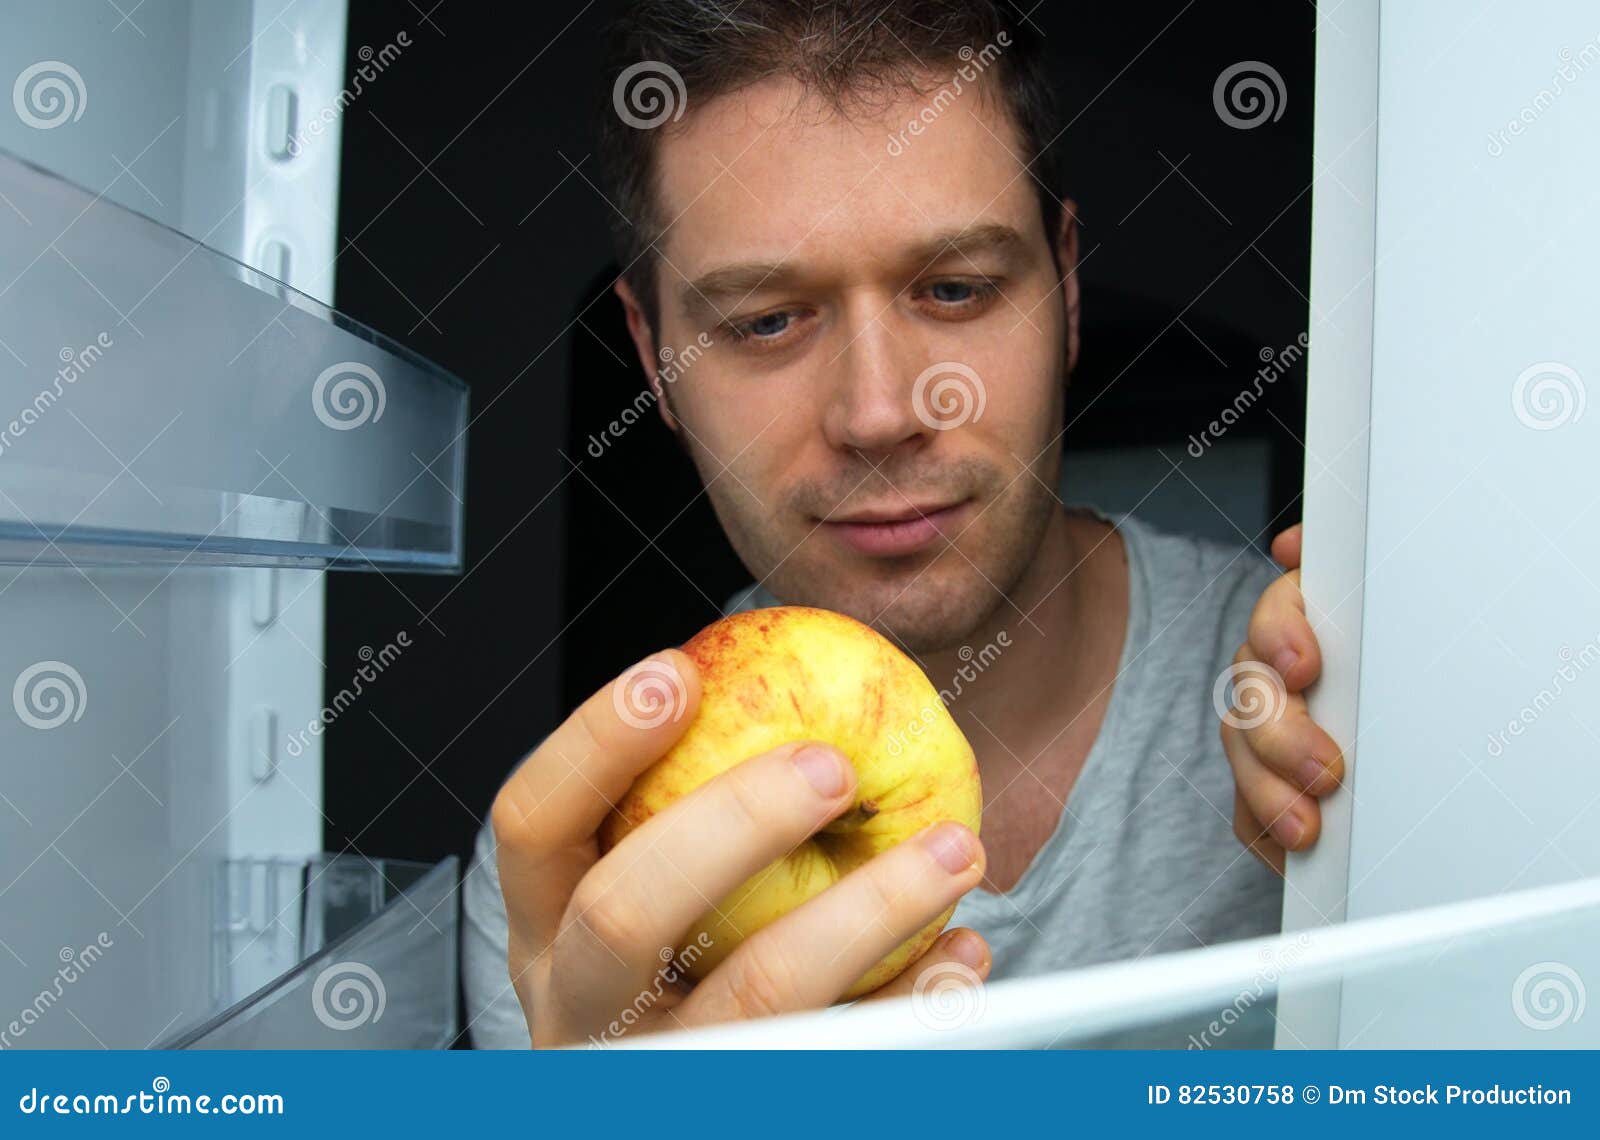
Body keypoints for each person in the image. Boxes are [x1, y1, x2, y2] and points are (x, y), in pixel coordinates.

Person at [462, 0, 1342, 1048]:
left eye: (955, 289)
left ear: (1064, 289)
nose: (880, 413)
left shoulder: (1322, 697)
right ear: (656, 357)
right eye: (765, 320)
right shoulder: (577, 885)